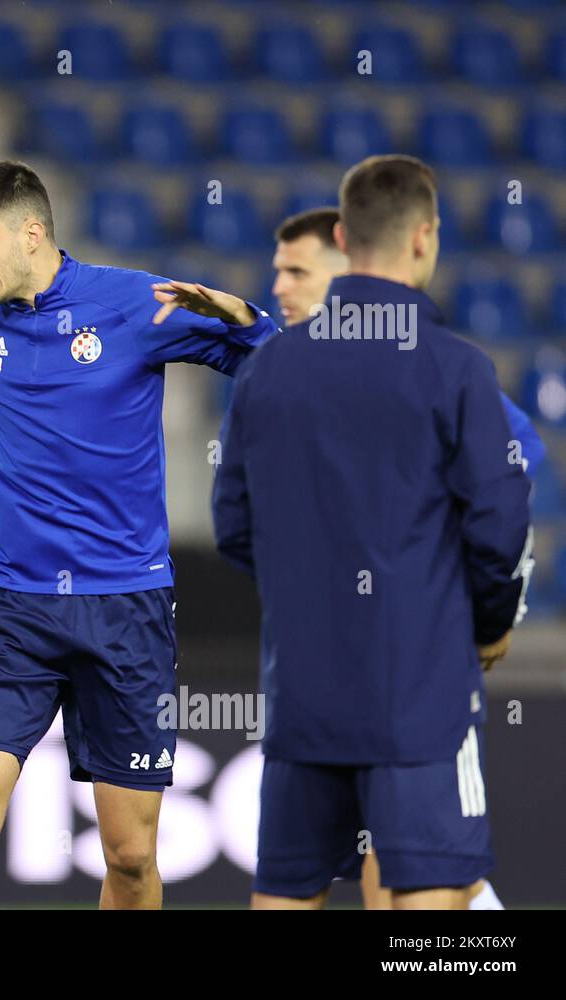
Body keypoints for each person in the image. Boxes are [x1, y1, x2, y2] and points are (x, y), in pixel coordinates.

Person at [0, 160, 279, 909]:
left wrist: (245, 318)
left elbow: (272, 367)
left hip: (126, 606)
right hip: (12, 603)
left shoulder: (134, 302)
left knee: (131, 855)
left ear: (32, 233)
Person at [214, 155, 533, 910]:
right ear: (424, 238)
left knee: (286, 895)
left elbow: (233, 526)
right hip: (420, 698)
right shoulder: (457, 370)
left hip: (302, 699)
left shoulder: (269, 371)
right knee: (431, 905)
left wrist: (312, 591)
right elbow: (498, 525)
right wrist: (485, 625)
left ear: (340, 235)